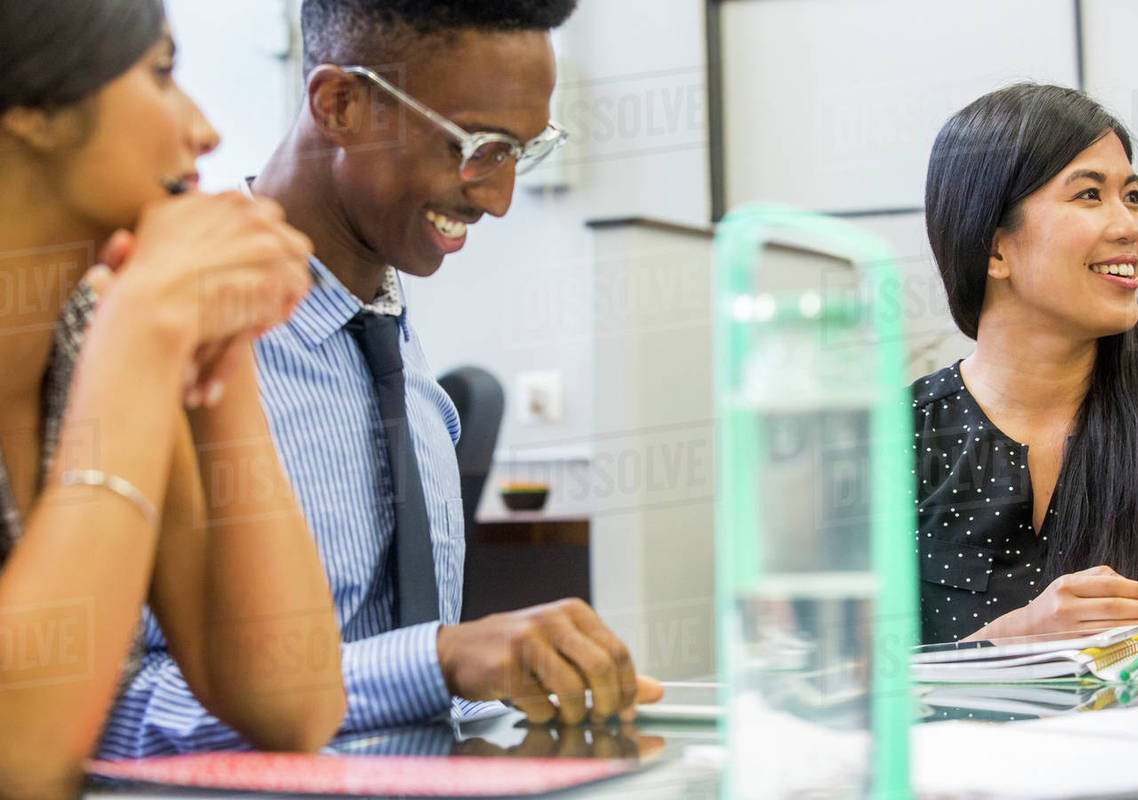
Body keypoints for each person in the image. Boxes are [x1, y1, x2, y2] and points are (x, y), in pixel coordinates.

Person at [103, 0, 661, 756]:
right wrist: (435, 663)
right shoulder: (170, 352)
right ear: (341, 105)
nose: (497, 198)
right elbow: (105, 709)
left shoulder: (404, 370)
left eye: (519, 153)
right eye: (479, 147)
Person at [0, 0, 346, 791]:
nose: (205, 131)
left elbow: (291, 703)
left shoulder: (85, 330)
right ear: (32, 110)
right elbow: (15, 757)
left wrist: (217, 346)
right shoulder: (120, 334)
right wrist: (147, 328)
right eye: (161, 74)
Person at [912, 83, 1138, 670]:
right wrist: (1005, 644)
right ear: (994, 248)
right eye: (1090, 195)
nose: (1132, 230)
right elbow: (828, 690)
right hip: (968, 763)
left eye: (1134, 196)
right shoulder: (894, 441)